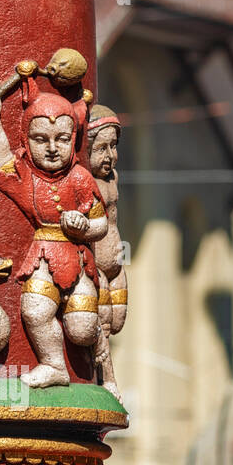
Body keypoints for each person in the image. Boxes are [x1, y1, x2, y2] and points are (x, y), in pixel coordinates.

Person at [0, 86, 107, 388]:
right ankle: (54, 365)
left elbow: (101, 225)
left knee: (82, 330)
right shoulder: (27, 175)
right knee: (34, 310)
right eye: (41, 139)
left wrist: (83, 227)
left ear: (73, 140)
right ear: (26, 141)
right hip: (43, 253)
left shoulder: (80, 178)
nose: (52, 148)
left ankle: (101, 347)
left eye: (62, 139)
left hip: (78, 258)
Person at [86, 104, 125, 401]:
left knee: (118, 321)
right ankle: (105, 380)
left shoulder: (113, 177)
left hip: (117, 265)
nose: (109, 155)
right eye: (101, 147)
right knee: (101, 325)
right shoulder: (84, 181)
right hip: (96, 266)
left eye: (113, 146)